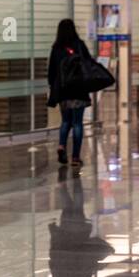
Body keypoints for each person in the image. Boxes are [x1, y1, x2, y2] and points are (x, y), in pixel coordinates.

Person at [46, 19, 96, 168]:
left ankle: (61, 146)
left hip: (63, 91)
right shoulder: (79, 45)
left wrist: (53, 86)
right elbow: (88, 63)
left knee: (66, 121)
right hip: (78, 89)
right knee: (77, 123)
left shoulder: (56, 48)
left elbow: (51, 71)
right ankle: (75, 157)